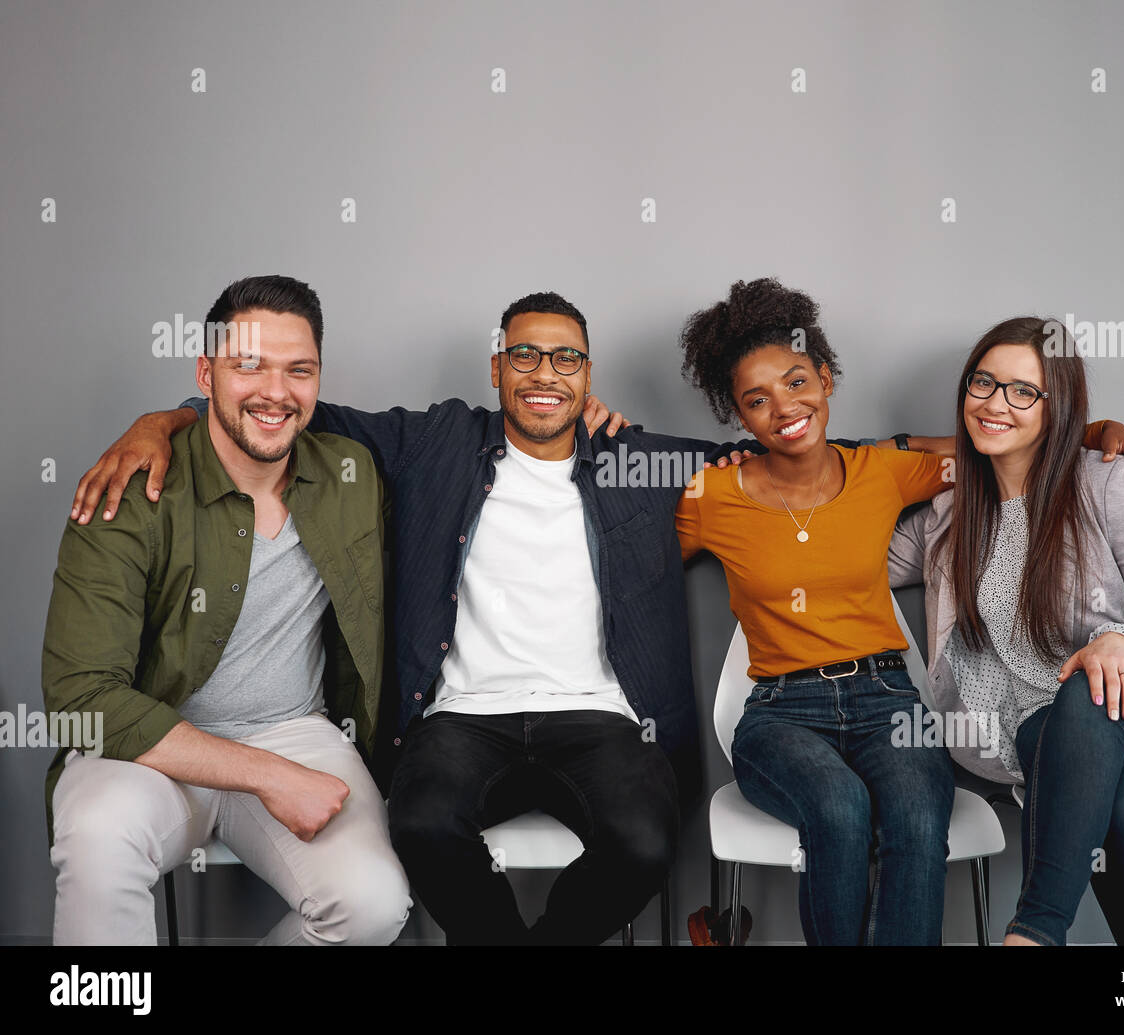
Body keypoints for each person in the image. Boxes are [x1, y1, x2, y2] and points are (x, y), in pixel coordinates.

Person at [69, 291, 781, 944]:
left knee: (645, 838)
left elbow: (774, 465)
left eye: (566, 357)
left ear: (587, 378)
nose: (545, 372)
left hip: (596, 717)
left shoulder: (638, 462)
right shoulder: (433, 443)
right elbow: (283, 414)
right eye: (525, 354)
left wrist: (892, 458)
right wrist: (161, 421)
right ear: (497, 368)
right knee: (418, 823)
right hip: (461, 720)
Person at [673, 280, 1124, 945]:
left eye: (796, 380)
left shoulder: (885, 468)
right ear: (741, 416)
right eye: (757, 399)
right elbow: (620, 538)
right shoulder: (711, 492)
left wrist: (1099, 431)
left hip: (888, 700)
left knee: (917, 818)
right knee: (838, 810)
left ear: (826, 377)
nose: (784, 406)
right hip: (780, 710)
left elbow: (1004, 440)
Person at [42, 275, 411, 945]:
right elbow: (80, 698)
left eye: (298, 370)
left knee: (373, 903)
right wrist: (267, 775)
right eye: (249, 365)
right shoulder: (130, 484)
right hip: (146, 743)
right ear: (206, 373)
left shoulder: (351, 474)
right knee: (96, 842)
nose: (276, 390)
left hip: (292, 729)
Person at [887, 316, 1124, 945]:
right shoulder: (946, 516)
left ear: (1056, 406)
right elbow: (839, 532)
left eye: (1022, 392)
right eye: (982, 384)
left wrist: (1120, 641)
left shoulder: (1107, 483)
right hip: (1063, 746)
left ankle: (1035, 932)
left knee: (1085, 692)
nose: (995, 404)